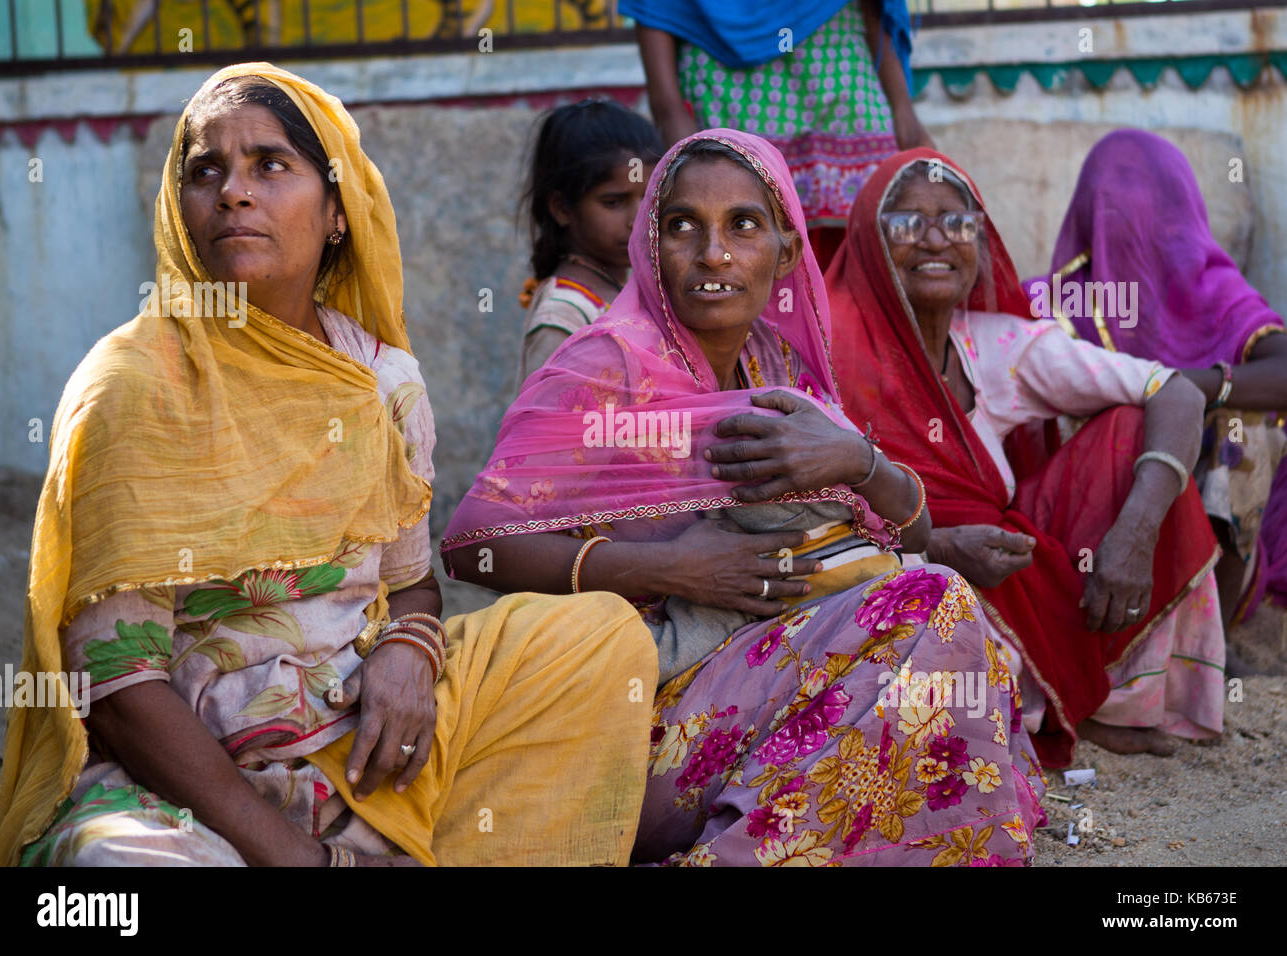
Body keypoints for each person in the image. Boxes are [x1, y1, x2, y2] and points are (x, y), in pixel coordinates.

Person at [0, 63, 656, 868]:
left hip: (364, 742)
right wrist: (292, 856)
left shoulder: (381, 380)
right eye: (206, 171)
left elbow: (410, 579)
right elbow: (119, 685)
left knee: (598, 635)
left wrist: (411, 650)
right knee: (119, 867)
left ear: (337, 211)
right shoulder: (128, 386)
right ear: (180, 211)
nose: (234, 191)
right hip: (189, 774)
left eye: (270, 165)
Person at [443, 129, 1046, 867]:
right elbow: (472, 549)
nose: (714, 254)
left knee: (937, 602)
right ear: (649, 245)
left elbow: (911, 529)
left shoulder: (774, 362)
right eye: (681, 226)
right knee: (928, 606)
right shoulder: (611, 365)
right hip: (627, 725)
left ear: (787, 254)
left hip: (751, 678)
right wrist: (671, 570)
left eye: (744, 225)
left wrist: (858, 460)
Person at [826, 149, 1223, 767]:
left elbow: (1171, 390)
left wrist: (1136, 534)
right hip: (888, 585)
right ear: (871, 242)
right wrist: (936, 546)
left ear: (981, 246)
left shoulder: (996, 345)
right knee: (937, 665)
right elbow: (812, 514)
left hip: (1002, 581)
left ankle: (1106, 700)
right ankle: (1042, 705)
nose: (935, 240)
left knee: (1131, 427)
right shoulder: (826, 357)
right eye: (907, 223)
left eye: (957, 223)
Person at [1027, 129, 1287, 630]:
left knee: (1245, 430)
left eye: (1152, 205)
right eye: (1117, 205)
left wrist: (1175, 388)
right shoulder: (1051, 301)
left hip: (1200, 510)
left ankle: (1214, 631)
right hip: (1091, 520)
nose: (1136, 221)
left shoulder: (1214, 289)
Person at [624, 0, 932, 269]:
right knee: (743, 258)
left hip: (844, 98)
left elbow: (876, 12)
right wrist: (678, 132)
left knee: (859, 270)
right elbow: (657, 15)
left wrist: (904, 112)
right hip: (727, 107)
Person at [517, 100, 664, 386]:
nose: (638, 220)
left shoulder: (628, 286)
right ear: (562, 208)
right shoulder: (563, 314)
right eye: (613, 202)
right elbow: (548, 424)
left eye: (648, 199)